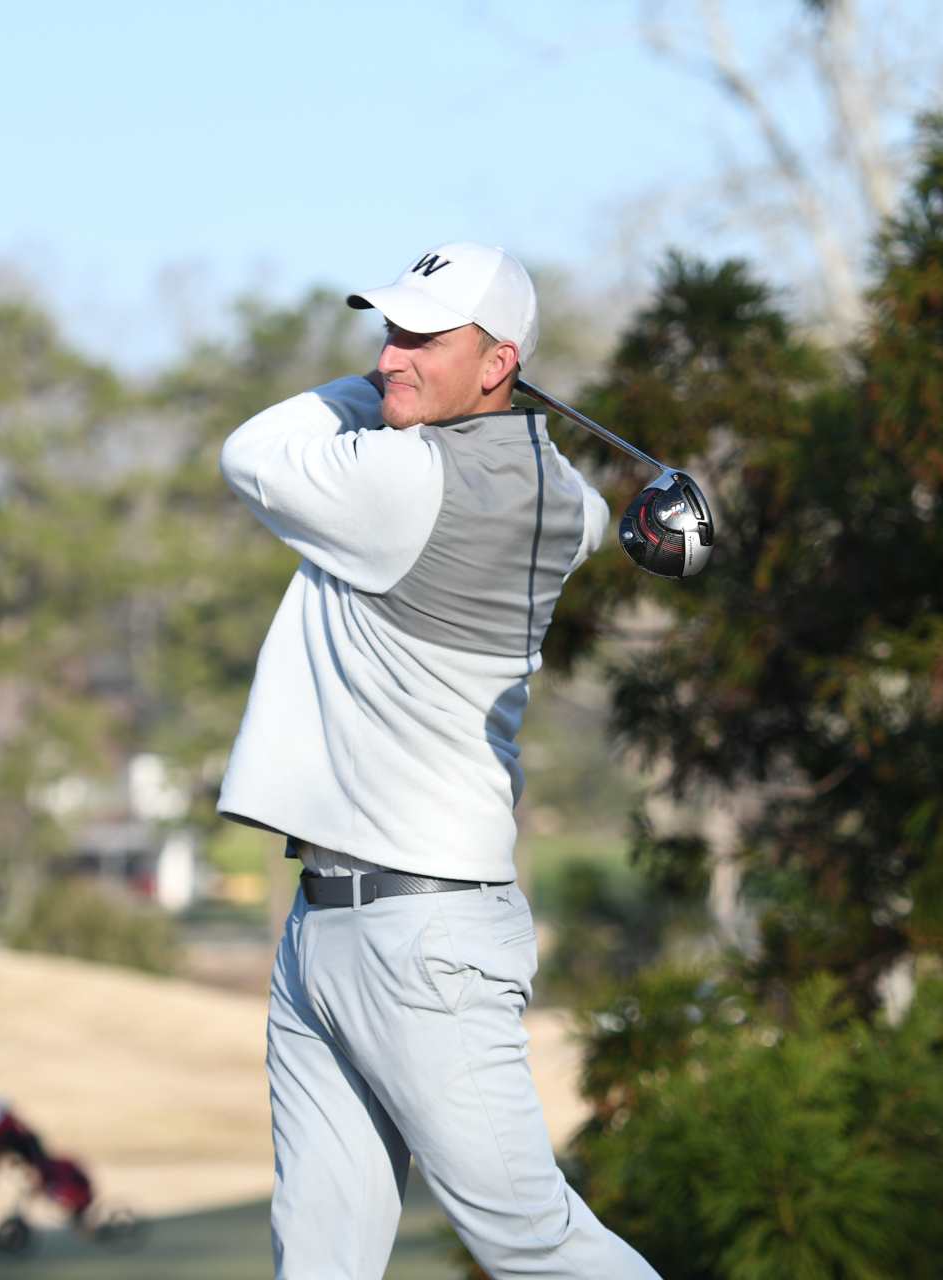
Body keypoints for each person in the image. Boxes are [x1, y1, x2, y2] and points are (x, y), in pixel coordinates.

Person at [217, 241, 660, 1280]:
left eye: (422, 335)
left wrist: (385, 396)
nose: (387, 357)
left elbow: (252, 448)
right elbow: (591, 509)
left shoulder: (404, 482)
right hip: (338, 921)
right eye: (387, 331)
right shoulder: (560, 495)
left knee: (535, 1240)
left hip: (420, 936)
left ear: (501, 360)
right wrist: (467, 390)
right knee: (320, 1260)